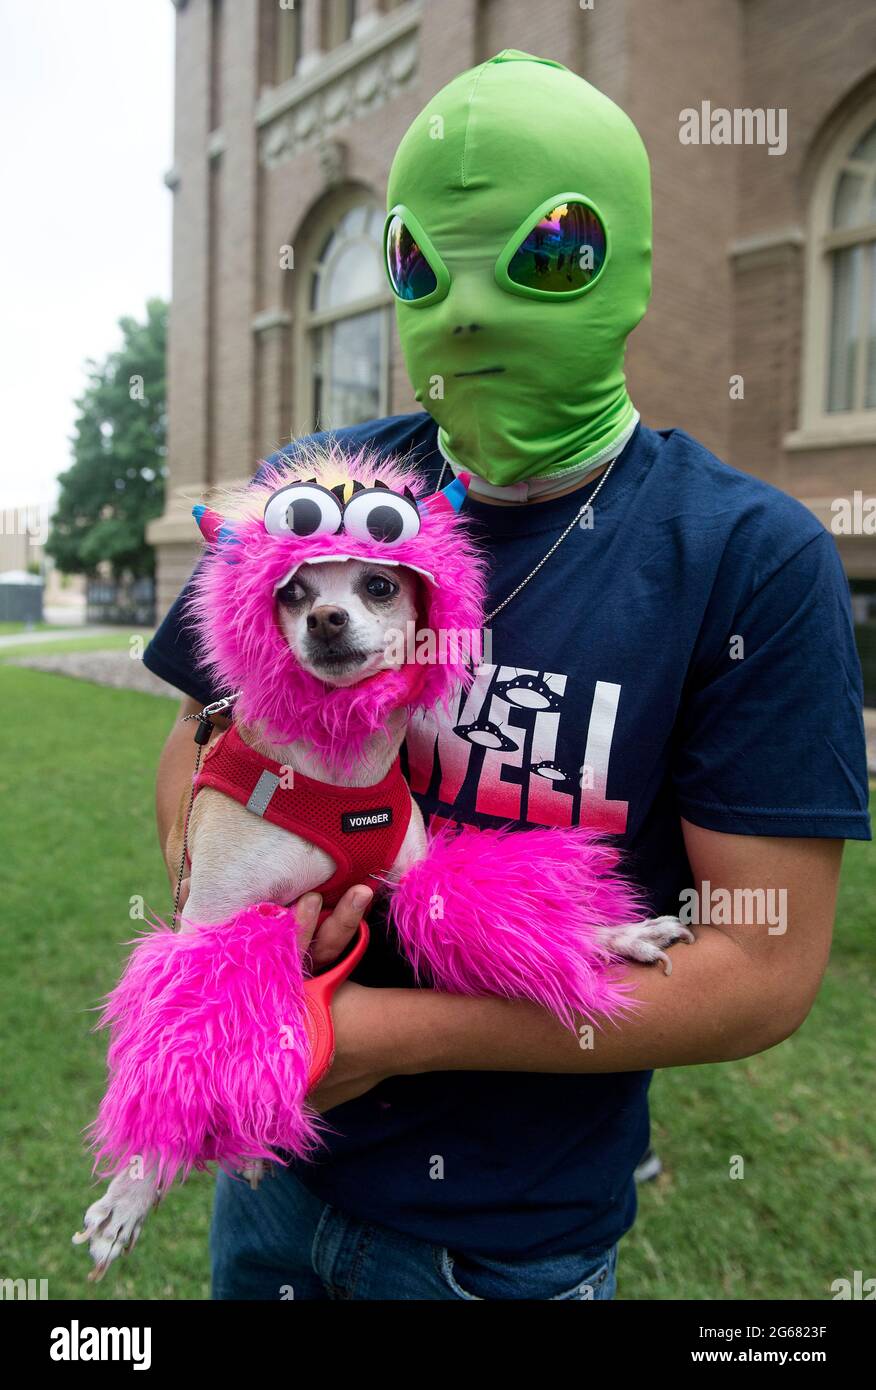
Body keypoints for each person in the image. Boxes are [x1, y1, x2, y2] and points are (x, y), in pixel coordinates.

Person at [143, 52, 871, 1301]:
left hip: (502, 1246)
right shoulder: (330, 492)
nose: (467, 315)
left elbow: (760, 970)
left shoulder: (747, 559)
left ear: (631, 269)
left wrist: (371, 1039)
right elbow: (196, 740)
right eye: (422, 267)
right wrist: (241, 920)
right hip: (274, 1185)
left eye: (546, 256)